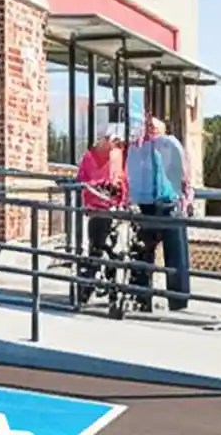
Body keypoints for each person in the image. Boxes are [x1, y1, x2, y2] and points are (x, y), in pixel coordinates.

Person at [125, 117, 192, 311]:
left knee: (176, 255)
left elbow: (184, 175)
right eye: (148, 127)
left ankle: (178, 300)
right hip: (145, 205)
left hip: (170, 204)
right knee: (141, 251)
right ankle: (140, 297)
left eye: (154, 127)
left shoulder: (170, 146)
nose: (150, 130)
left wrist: (185, 199)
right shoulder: (138, 149)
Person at [75, 126, 128, 304]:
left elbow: (123, 179)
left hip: (114, 208)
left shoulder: (118, 156)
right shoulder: (90, 157)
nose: (114, 145)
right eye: (111, 140)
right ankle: (89, 287)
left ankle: (112, 288)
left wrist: (120, 194)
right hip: (97, 208)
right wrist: (97, 185)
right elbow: (81, 179)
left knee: (114, 248)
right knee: (97, 247)